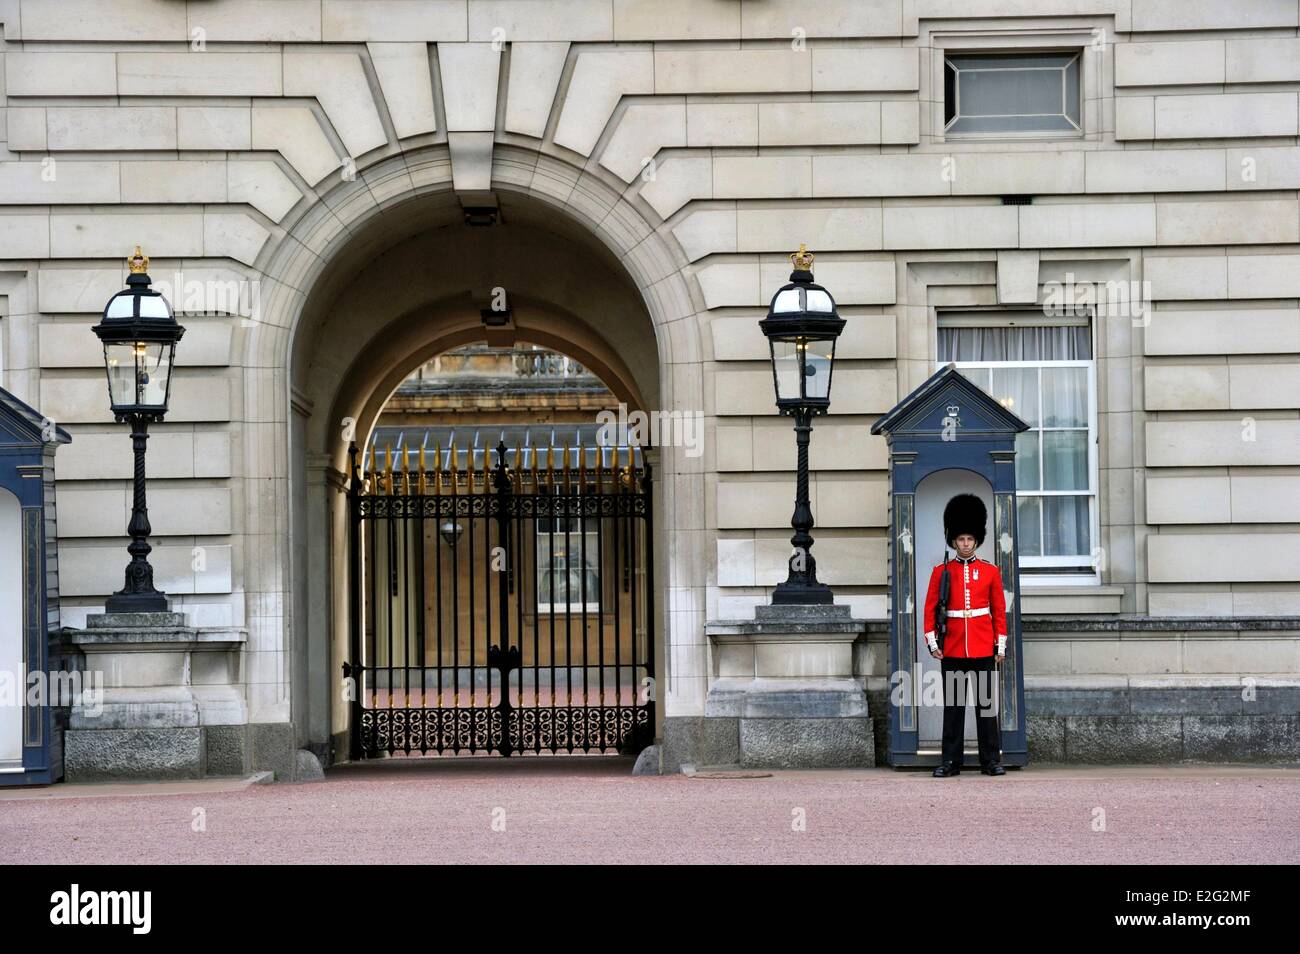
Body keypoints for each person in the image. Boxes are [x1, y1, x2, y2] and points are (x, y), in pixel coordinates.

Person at [922, 493, 1007, 777]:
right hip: (954, 647)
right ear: (954, 541)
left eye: (970, 539)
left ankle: (991, 760)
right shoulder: (940, 572)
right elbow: (930, 610)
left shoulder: (990, 572)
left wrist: (1000, 645)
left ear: (977, 540)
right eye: (961, 539)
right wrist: (933, 642)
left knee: (986, 708)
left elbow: (998, 612)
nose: (966, 544)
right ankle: (950, 761)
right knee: (954, 708)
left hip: (983, 647)